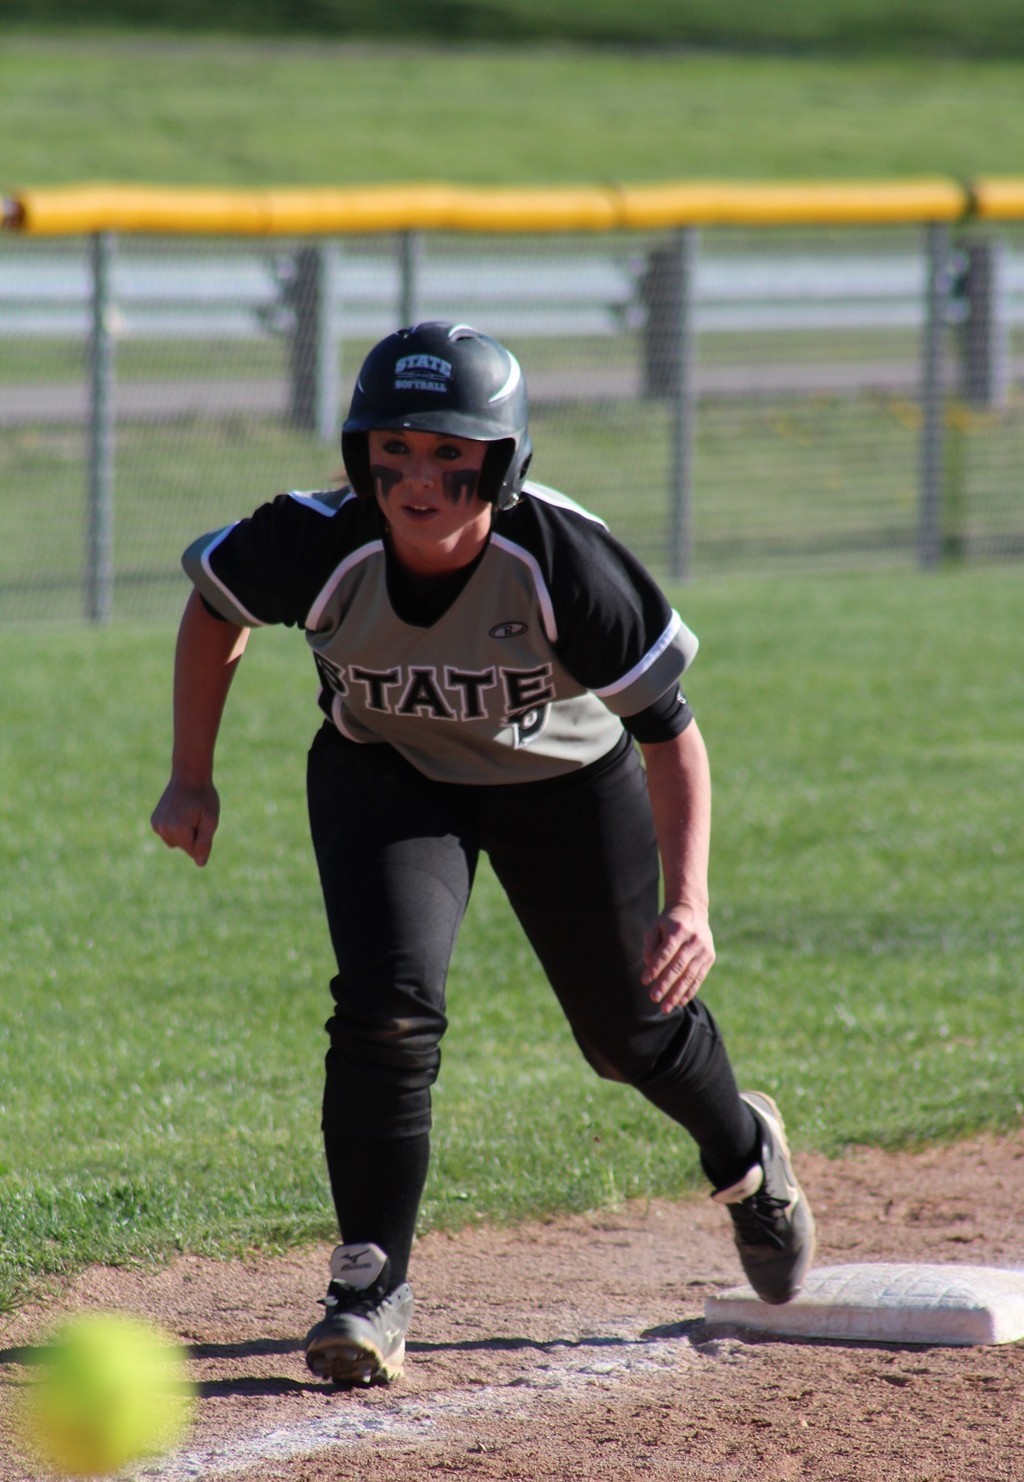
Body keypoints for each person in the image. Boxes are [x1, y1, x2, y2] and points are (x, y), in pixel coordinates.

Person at [151, 320, 815, 1389]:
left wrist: (688, 905)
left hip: (566, 784)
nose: (419, 478)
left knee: (628, 1033)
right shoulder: (313, 540)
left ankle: (745, 1158)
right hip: (389, 772)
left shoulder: (564, 563)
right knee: (386, 1008)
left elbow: (670, 737)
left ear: (502, 465)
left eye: (451, 453)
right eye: (395, 449)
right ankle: (370, 1282)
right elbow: (215, 605)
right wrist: (192, 774)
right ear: (361, 453)